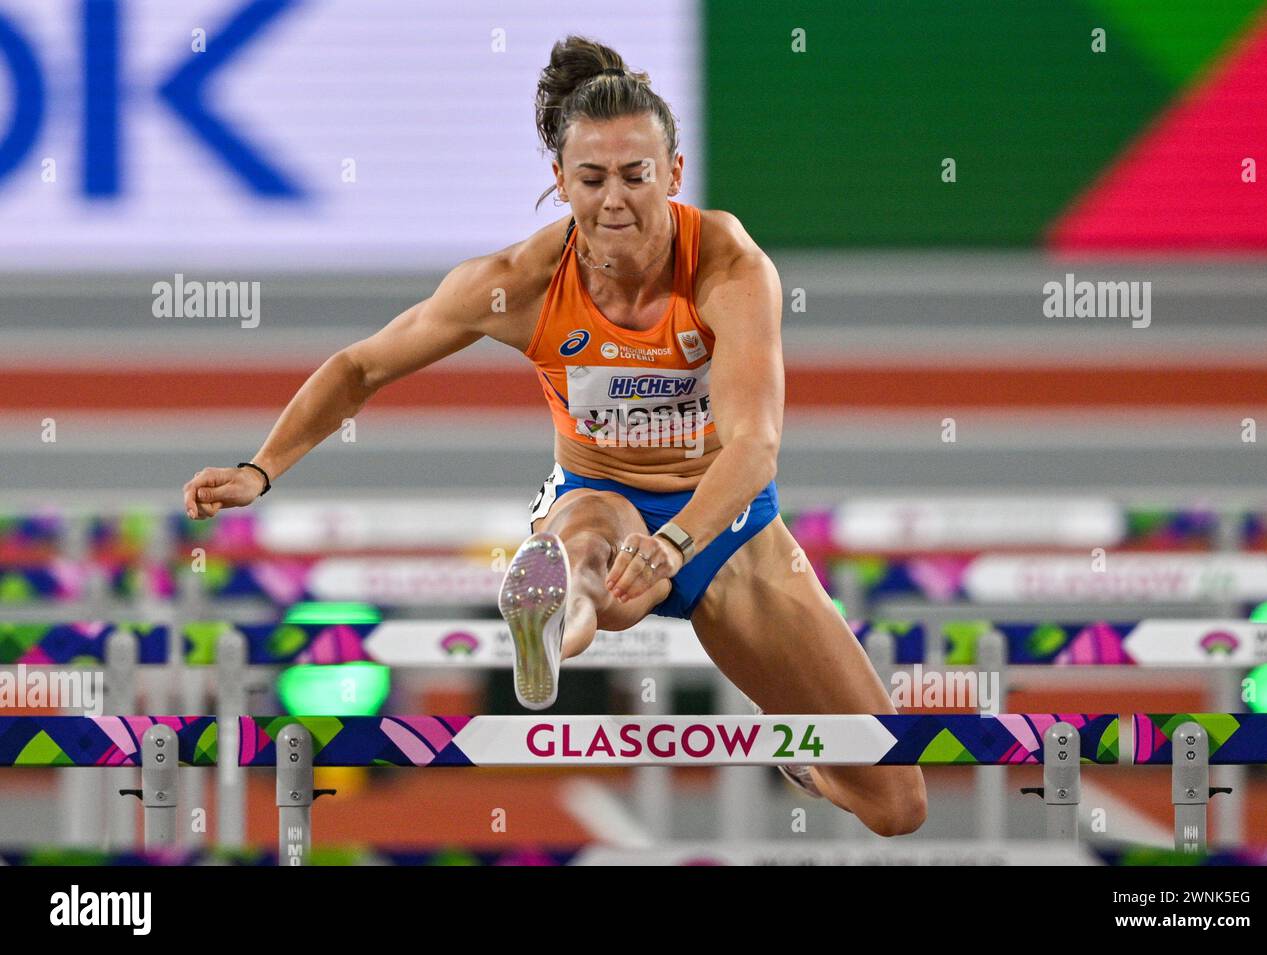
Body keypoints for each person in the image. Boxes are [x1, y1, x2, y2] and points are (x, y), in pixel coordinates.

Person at [182, 36, 926, 836]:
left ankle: (803, 761)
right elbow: (360, 367)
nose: (615, 200)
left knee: (897, 804)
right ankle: (548, 623)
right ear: (560, 181)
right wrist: (261, 469)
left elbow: (754, 447)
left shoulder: (728, 266)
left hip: (728, 521)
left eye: (636, 176)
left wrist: (675, 545)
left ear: (674, 175)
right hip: (596, 494)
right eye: (592, 178)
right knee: (586, 560)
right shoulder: (518, 283)